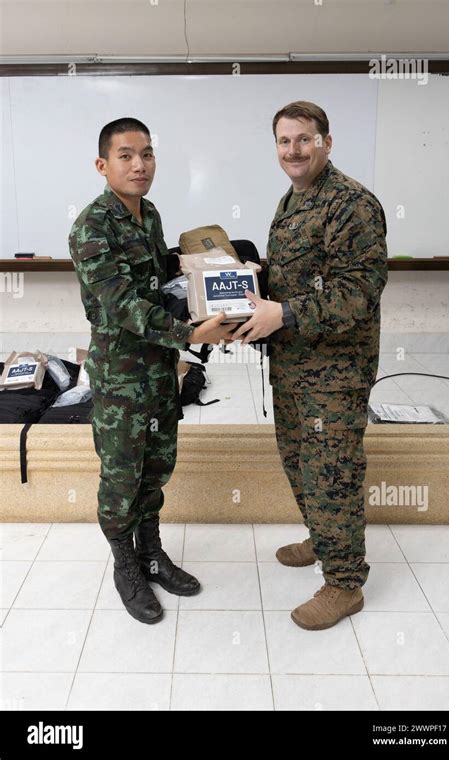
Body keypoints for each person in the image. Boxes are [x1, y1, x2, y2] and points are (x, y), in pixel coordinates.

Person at [69, 117, 235, 624]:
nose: (139, 164)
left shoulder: (150, 215)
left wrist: (202, 271)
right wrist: (190, 335)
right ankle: (126, 568)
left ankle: (152, 552)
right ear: (103, 165)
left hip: (160, 372)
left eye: (146, 154)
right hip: (121, 378)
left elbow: (156, 280)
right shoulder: (91, 227)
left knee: (157, 468)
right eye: (125, 155)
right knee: (121, 477)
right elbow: (123, 305)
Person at [234, 101, 388, 630]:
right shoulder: (293, 199)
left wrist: (284, 311)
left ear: (326, 141)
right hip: (294, 363)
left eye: (304, 139)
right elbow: (304, 276)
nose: (293, 150)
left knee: (332, 473)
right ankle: (323, 541)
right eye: (284, 141)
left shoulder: (351, 205)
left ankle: (345, 583)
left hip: (335, 372)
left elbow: (357, 294)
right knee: (299, 459)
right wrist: (256, 279)